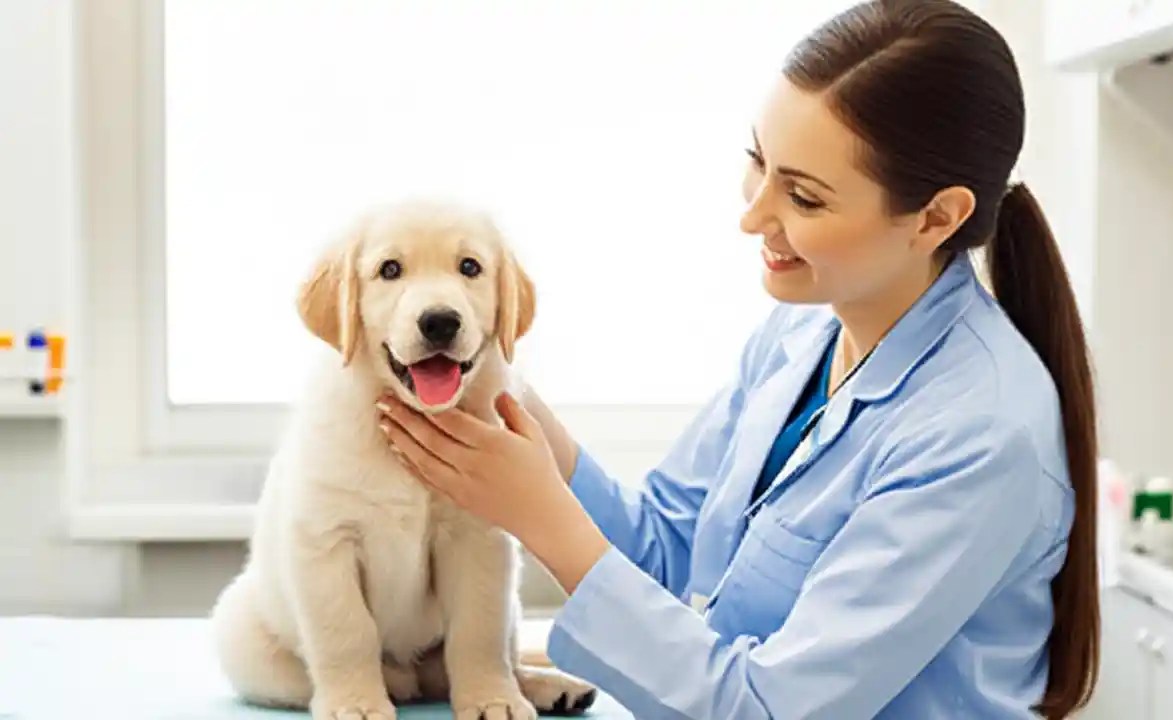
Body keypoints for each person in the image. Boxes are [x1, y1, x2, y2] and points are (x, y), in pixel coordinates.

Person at [376, 1, 1100, 717]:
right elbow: (667, 551)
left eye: (805, 198)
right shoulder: (799, 339)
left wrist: (540, 518)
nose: (752, 215)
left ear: (936, 217)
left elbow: (770, 708)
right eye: (758, 161)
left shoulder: (979, 434)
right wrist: (515, 410)